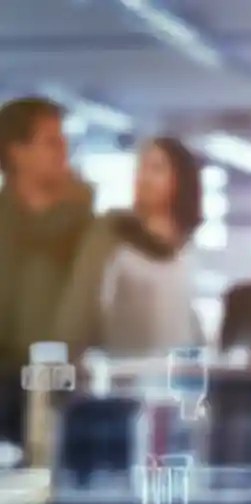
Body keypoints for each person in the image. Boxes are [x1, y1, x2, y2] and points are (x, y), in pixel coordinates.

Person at [0, 97, 95, 443]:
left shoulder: (87, 225)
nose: (63, 150)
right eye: (51, 142)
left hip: (60, 376)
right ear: (17, 153)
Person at [56, 137, 204, 358]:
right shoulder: (113, 234)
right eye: (141, 169)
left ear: (180, 179)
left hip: (176, 370)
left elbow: (187, 320)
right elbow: (81, 305)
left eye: (156, 169)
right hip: (121, 367)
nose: (144, 178)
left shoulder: (186, 250)